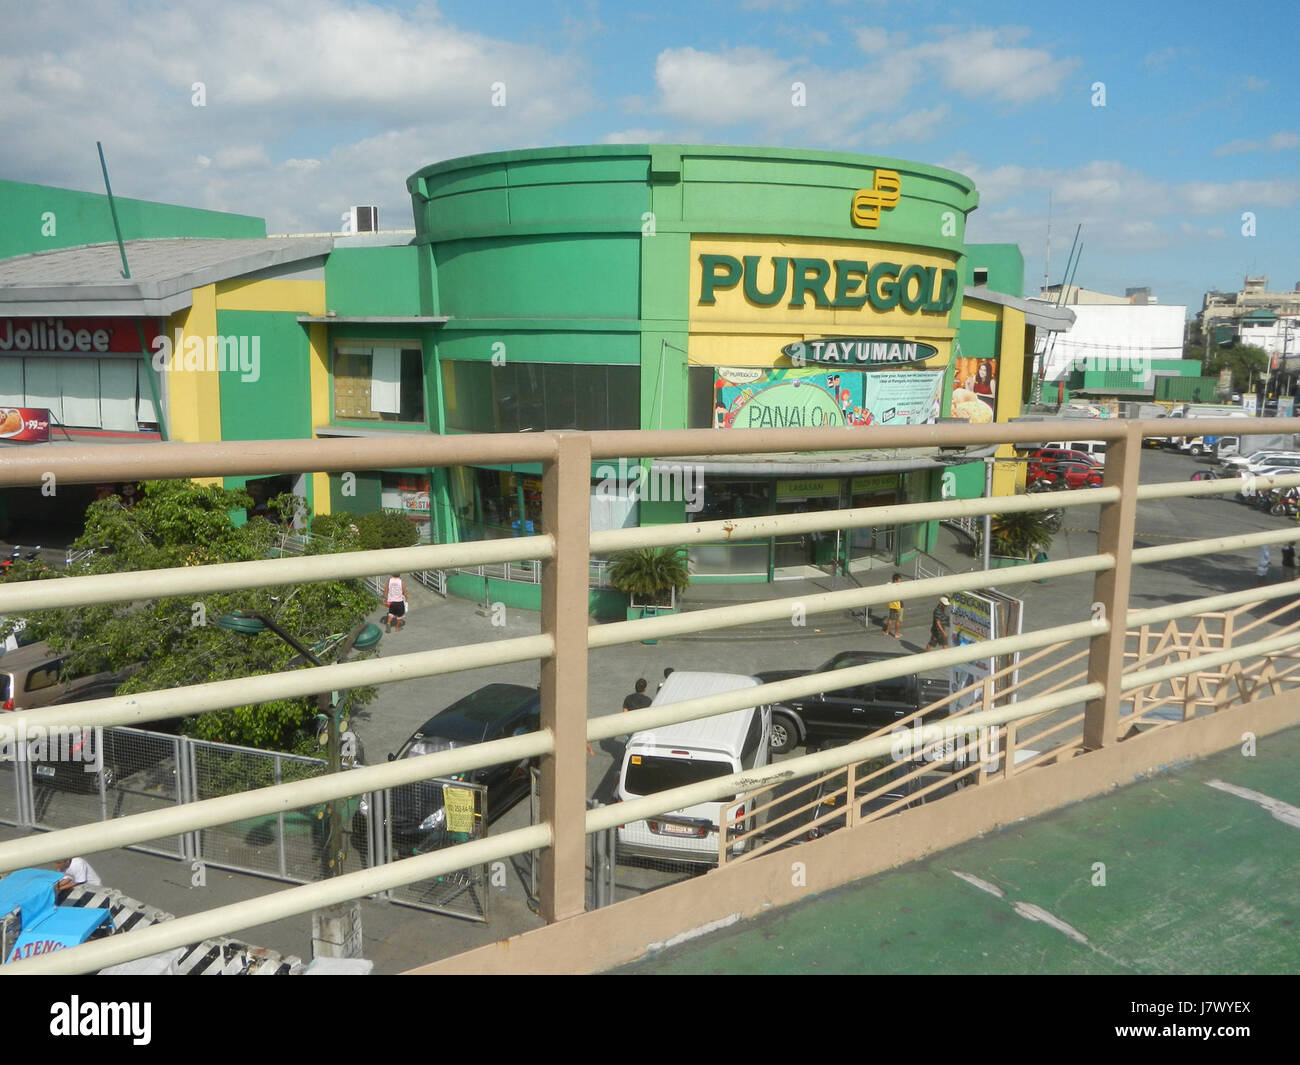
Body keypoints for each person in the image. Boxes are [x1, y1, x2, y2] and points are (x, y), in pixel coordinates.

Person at [884, 573, 903, 639]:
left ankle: (887, 631)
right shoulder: (898, 586)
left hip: (891, 604)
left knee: (890, 618)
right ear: (895, 581)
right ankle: (896, 634)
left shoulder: (888, 584)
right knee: (898, 620)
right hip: (898, 605)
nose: (900, 582)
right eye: (899, 580)